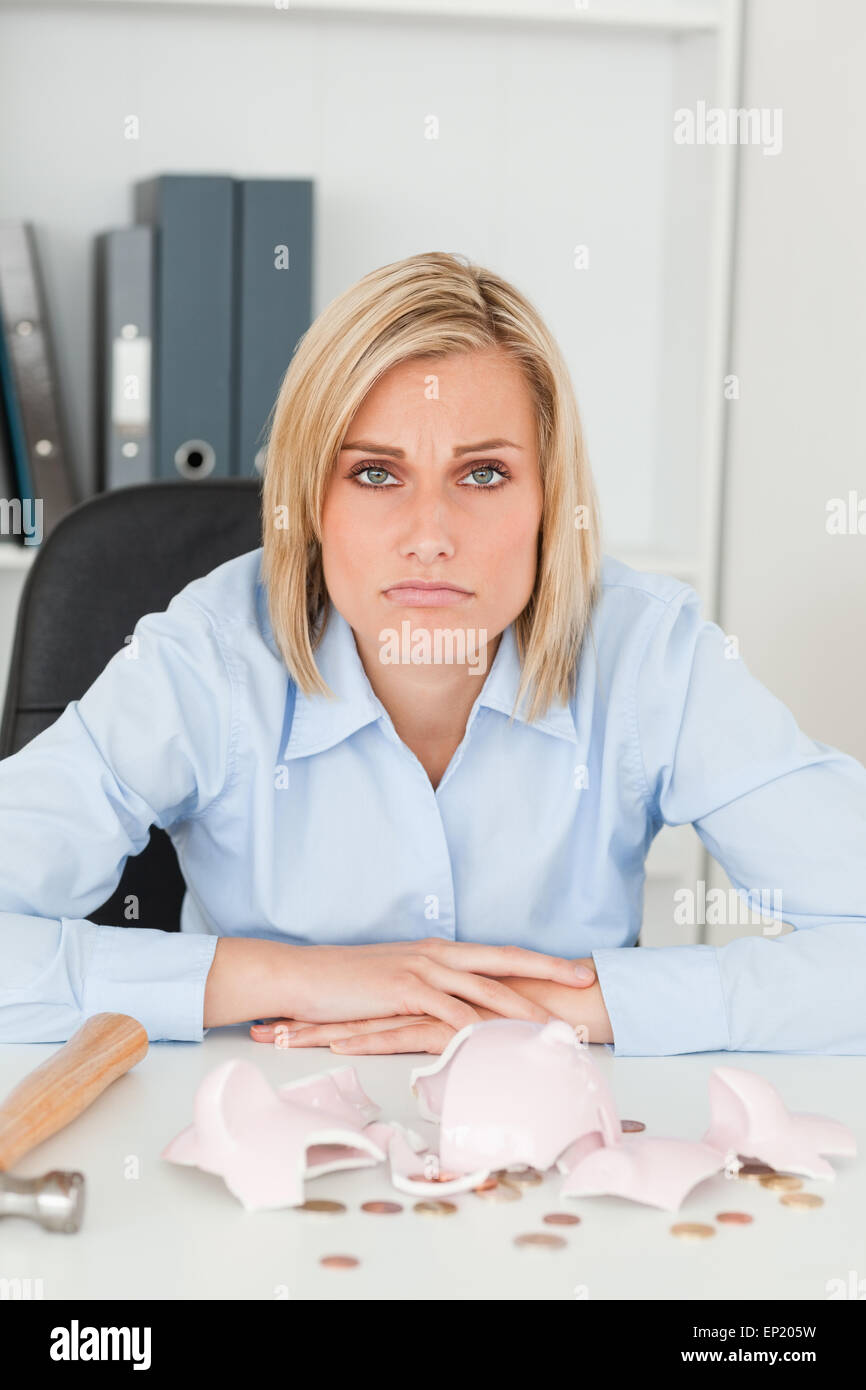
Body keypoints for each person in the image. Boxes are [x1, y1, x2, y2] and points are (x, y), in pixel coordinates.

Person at [1, 252, 864, 1057]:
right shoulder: (209, 657)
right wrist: (294, 979)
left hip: (556, 1152)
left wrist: (568, 1004)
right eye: (375, 473)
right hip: (260, 1141)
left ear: (549, 499)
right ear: (311, 501)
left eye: (483, 474)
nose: (429, 537)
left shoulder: (647, 653)